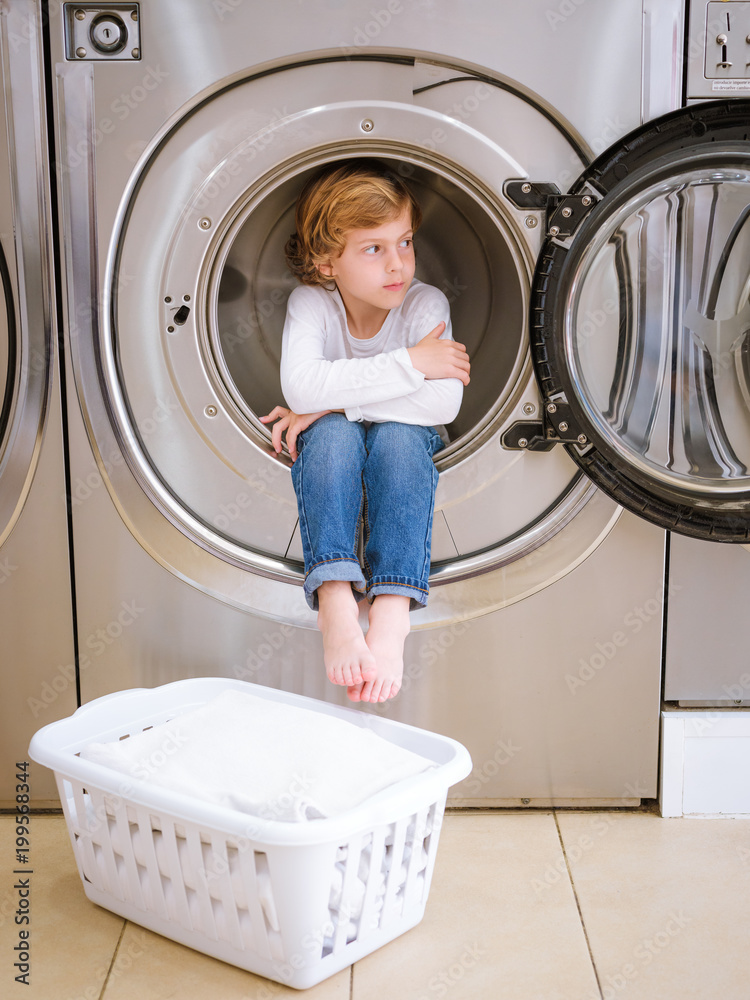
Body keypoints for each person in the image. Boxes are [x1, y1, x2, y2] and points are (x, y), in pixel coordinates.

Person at [261, 160, 470, 704]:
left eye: (404, 241)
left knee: (395, 438)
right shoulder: (311, 303)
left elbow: (444, 399)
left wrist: (332, 401)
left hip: (405, 444)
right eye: (373, 249)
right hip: (336, 443)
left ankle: (392, 611)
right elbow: (303, 388)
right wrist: (409, 364)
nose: (397, 264)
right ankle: (334, 598)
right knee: (330, 438)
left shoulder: (426, 303)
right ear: (326, 262)